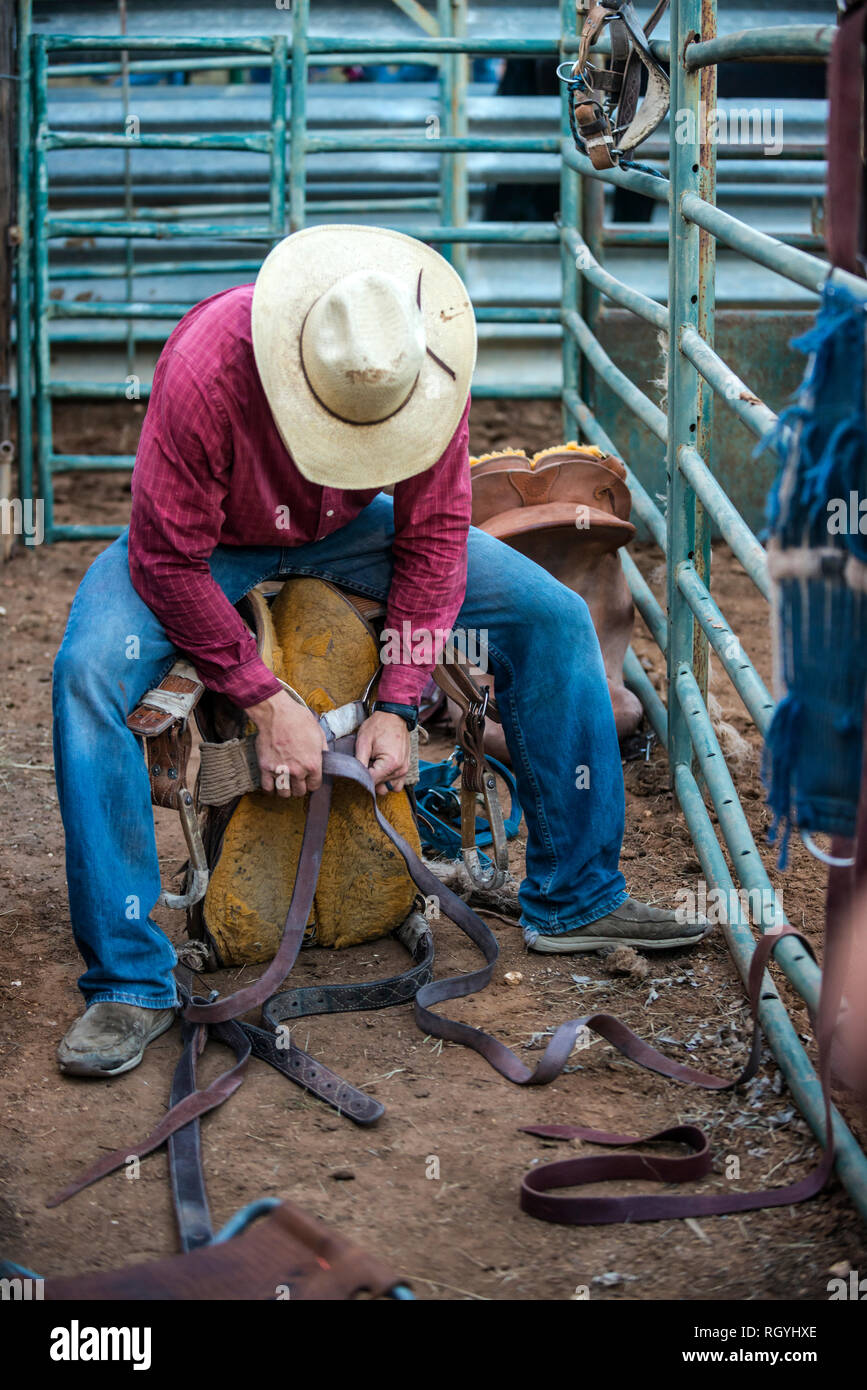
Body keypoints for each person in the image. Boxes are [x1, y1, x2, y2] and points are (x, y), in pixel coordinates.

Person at [52, 224, 707, 1079]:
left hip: (352, 528)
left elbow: (434, 539)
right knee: (87, 675)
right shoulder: (206, 363)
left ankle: (576, 896)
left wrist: (399, 703)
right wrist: (263, 698)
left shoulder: (423, 362)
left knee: (549, 616)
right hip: (211, 539)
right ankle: (130, 979)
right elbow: (167, 560)